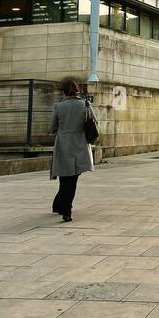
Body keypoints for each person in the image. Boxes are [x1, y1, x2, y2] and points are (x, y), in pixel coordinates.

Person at [50, 77, 96, 222]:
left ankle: (61, 206)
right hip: (80, 144)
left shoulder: (58, 106)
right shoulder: (85, 104)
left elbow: (51, 128)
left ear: (63, 92)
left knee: (64, 178)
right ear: (77, 91)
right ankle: (65, 208)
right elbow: (94, 122)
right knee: (73, 179)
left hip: (63, 145)